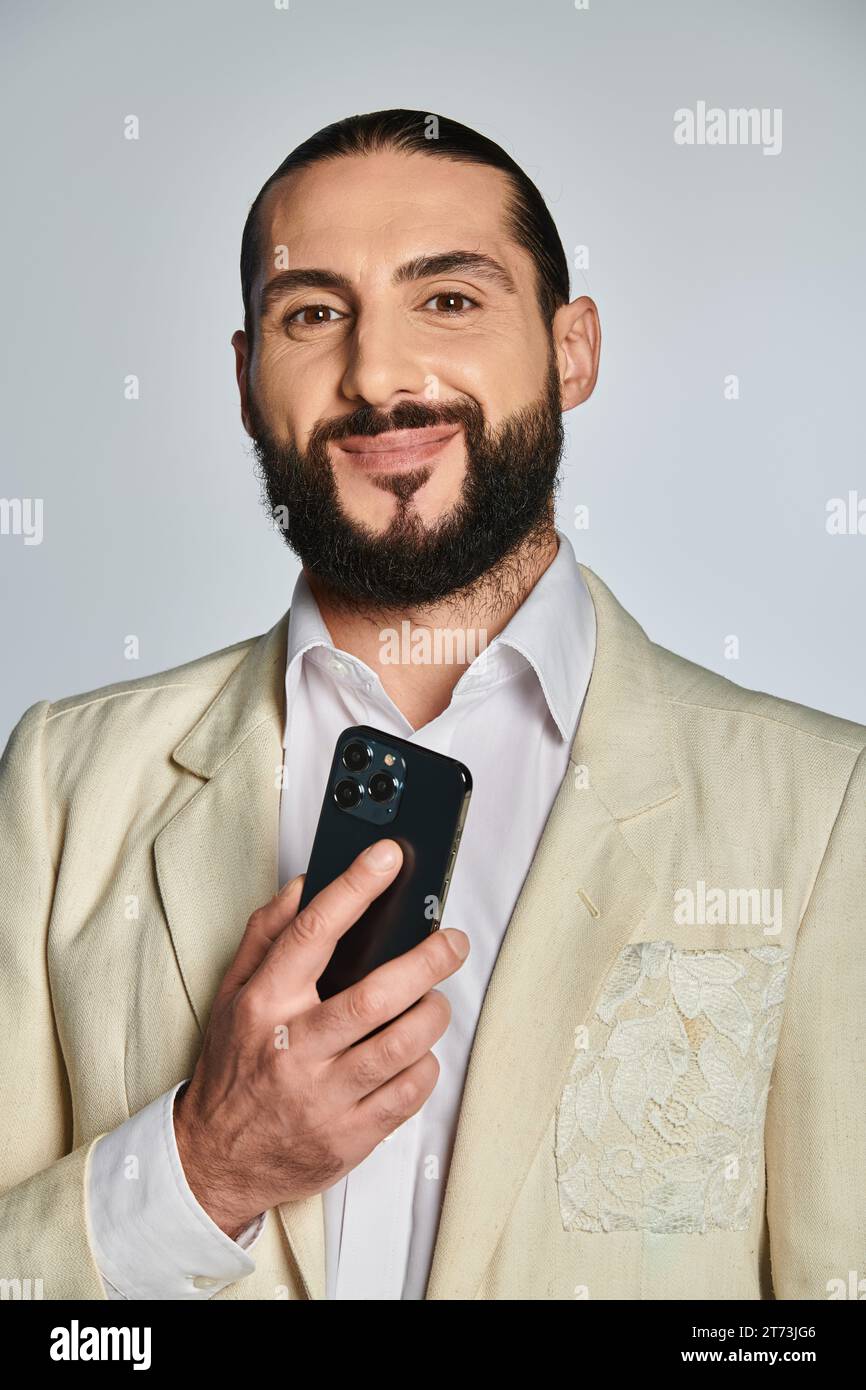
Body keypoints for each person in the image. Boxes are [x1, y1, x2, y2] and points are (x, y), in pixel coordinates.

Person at [1, 109, 863, 1302]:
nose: (378, 374)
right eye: (313, 314)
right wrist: (200, 1169)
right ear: (246, 378)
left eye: (448, 299)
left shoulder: (823, 808)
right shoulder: (60, 784)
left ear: (572, 351)